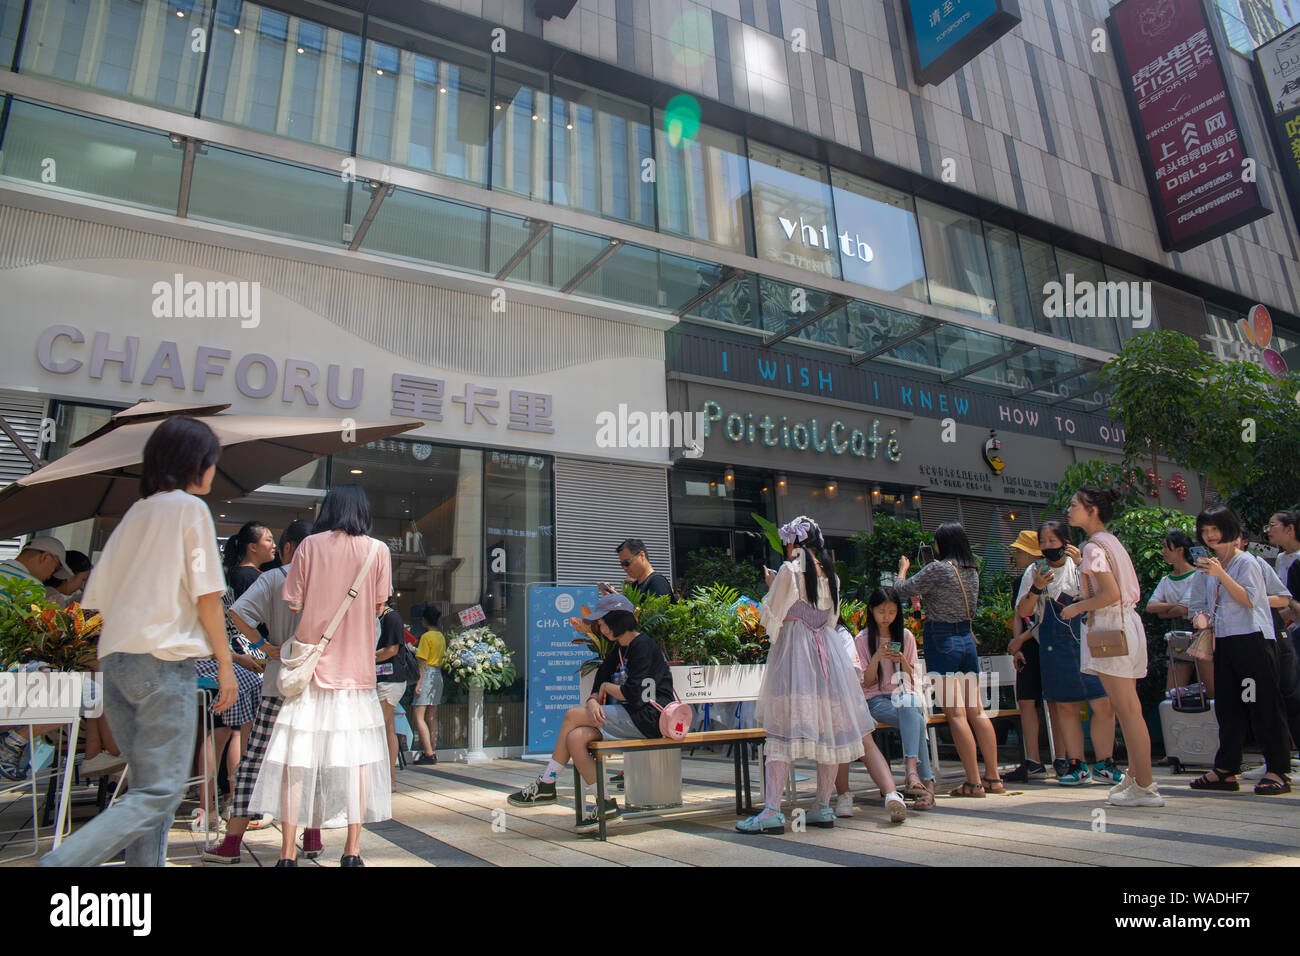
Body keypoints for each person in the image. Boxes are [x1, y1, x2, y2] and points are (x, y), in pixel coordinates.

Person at [39, 417, 237, 867]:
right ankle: (58, 864)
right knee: (159, 791)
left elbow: (96, 604)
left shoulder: (135, 515)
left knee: (151, 794)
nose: (213, 469)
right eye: (211, 461)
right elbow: (208, 596)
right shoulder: (189, 509)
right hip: (162, 664)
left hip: (117, 663)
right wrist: (225, 665)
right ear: (195, 462)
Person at [247, 486, 393, 867]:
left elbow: (293, 601)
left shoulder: (308, 546)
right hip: (356, 674)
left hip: (309, 672)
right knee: (357, 763)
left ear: (329, 508)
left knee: (296, 760)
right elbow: (380, 606)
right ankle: (352, 851)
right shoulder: (379, 551)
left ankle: (286, 854)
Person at [732, 516, 884, 833]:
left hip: (795, 655)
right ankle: (821, 806)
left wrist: (773, 587)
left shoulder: (790, 571)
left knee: (781, 729)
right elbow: (831, 620)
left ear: (794, 543)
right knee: (828, 729)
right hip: (827, 656)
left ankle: (772, 810)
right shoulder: (831, 575)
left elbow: (768, 617)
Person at [507, 593, 675, 834]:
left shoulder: (642, 645)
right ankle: (604, 803)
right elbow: (601, 678)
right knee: (575, 738)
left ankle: (547, 783)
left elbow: (634, 693)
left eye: (604, 623)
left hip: (650, 718)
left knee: (572, 716)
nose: (601, 628)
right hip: (631, 715)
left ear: (617, 621)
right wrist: (593, 698)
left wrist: (605, 690)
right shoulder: (620, 648)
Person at [204, 520, 315, 864]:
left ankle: (232, 842)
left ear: (286, 548)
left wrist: (264, 646)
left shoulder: (274, 577)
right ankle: (312, 835)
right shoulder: (327, 581)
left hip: (279, 679)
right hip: (316, 683)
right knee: (312, 759)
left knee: (255, 760)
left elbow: (237, 613)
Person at [1060, 486, 1162, 807]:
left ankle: (1144, 786)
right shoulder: (1109, 541)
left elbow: (1110, 594)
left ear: (1092, 510)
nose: (1069, 509)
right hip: (1124, 625)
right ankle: (1136, 777)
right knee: (1128, 708)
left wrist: (1077, 607)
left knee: (1128, 710)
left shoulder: (1093, 547)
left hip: (1110, 626)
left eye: (1074, 505)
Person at [1183, 507, 1291, 796]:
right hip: (1225, 641)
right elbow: (1203, 603)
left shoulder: (1246, 562)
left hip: (1252, 641)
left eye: (1214, 530)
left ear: (1229, 529)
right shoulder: (1209, 566)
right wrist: (1201, 618)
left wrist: (1220, 573)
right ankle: (1226, 769)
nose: (1209, 536)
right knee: (1229, 706)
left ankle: (1277, 769)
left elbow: (1250, 600)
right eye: (1205, 531)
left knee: (1261, 704)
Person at [895, 522, 1002, 797]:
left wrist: (902, 571)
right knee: (977, 711)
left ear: (942, 544)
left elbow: (902, 590)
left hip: (942, 641)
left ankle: (974, 782)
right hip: (967, 640)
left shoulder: (937, 569)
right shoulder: (971, 570)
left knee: (955, 714)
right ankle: (993, 777)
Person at [1015, 520, 1121, 787]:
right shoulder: (1033, 570)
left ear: (1066, 541)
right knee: (1065, 705)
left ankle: (1105, 763)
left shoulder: (1082, 563)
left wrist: (1083, 567)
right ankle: (1076, 764)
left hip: (1088, 641)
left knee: (1103, 702)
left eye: (1053, 541)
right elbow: (1024, 612)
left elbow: (1102, 596)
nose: (1048, 547)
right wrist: (1037, 587)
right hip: (1054, 647)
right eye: (1043, 542)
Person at [0, 536, 77, 778]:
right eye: (53, 569)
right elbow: (48, 636)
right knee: (74, 693)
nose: (50, 577)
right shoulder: (30, 585)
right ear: (44, 557)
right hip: (6, 672)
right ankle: (13, 742)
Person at [855, 587, 933, 810]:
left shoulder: (906, 636)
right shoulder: (862, 639)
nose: (887, 617)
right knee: (916, 718)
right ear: (871, 611)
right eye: (881, 611)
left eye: (891, 611)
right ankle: (923, 780)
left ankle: (912, 771)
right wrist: (878, 657)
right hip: (876, 700)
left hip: (903, 696)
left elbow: (913, 678)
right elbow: (866, 682)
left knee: (910, 705)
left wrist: (901, 661)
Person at [1233, 533, 1300, 781]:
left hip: (1272, 640)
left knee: (1285, 699)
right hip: (1240, 646)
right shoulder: (1215, 568)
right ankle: (1271, 758)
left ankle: (1281, 762)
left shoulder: (1255, 563)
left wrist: (1250, 599)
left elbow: (1283, 597)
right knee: (1254, 702)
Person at [1004, 531, 1050, 782]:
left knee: (1048, 701)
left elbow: (1044, 616)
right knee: (1027, 701)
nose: (1016, 555)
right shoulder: (1022, 578)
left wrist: (1019, 640)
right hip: (1027, 644)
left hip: (1042, 642)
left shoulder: (1041, 572)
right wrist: (1017, 643)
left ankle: (1057, 757)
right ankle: (1034, 759)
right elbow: (1019, 612)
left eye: (1020, 550)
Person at [1148, 531, 1213, 698]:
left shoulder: (1197, 575)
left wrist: (1167, 610)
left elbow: (1183, 610)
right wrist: (1175, 607)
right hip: (1177, 635)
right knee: (1173, 693)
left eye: (1166, 547)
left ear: (1180, 550)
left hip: (1200, 632)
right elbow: (1151, 606)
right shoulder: (1166, 580)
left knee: (1209, 690)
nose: (1163, 551)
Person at [375, 599, 408, 788]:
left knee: (379, 727)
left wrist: (367, 657)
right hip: (382, 679)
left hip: (391, 679)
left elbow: (392, 650)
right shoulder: (378, 617)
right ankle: (389, 779)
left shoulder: (392, 617)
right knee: (388, 728)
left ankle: (385, 779)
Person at [412, 605, 446, 765]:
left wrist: (418, 683)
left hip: (427, 675)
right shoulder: (441, 636)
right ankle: (433, 750)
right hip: (438, 675)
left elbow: (422, 662)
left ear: (424, 620)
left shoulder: (426, 637)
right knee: (432, 716)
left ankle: (428, 753)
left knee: (419, 716)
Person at [599, 538, 675, 601]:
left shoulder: (657, 582)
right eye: (622, 565)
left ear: (641, 555)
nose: (625, 568)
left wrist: (620, 601)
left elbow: (653, 616)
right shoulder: (633, 587)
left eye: (627, 563)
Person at [223, 521, 275, 602]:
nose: (274, 545)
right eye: (268, 540)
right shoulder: (254, 578)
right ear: (253, 547)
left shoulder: (235, 572)